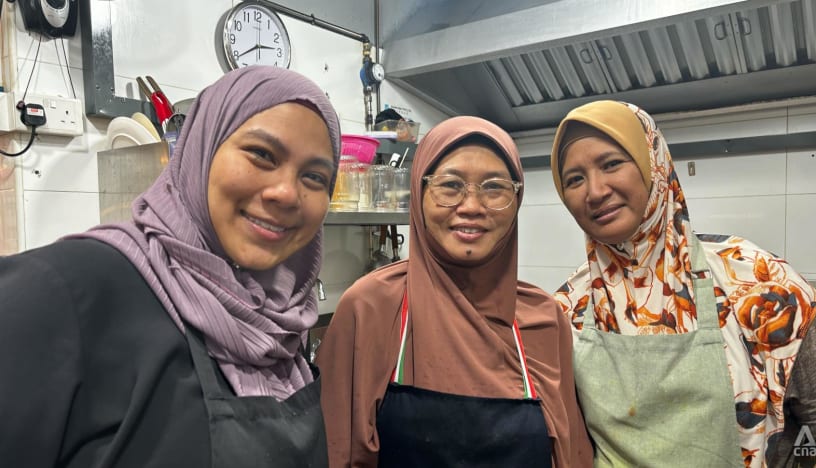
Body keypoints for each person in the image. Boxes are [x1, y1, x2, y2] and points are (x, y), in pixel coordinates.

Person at [0, 66, 341, 467]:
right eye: (262, 154)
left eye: (315, 176)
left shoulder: (280, 321)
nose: (286, 193)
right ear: (201, 148)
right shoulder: (63, 294)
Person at [549, 100, 816, 467]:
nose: (595, 190)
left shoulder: (759, 284)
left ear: (654, 163)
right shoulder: (569, 308)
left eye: (611, 163)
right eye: (574, 179)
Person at [317, 116, 593, 468]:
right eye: (450, 185)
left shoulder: (545, 318)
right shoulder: (371, 307)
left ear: (516, 200)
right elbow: (337, 453)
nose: (472, 207)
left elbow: (572, 458)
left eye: (494, 187)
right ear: (418, 192)